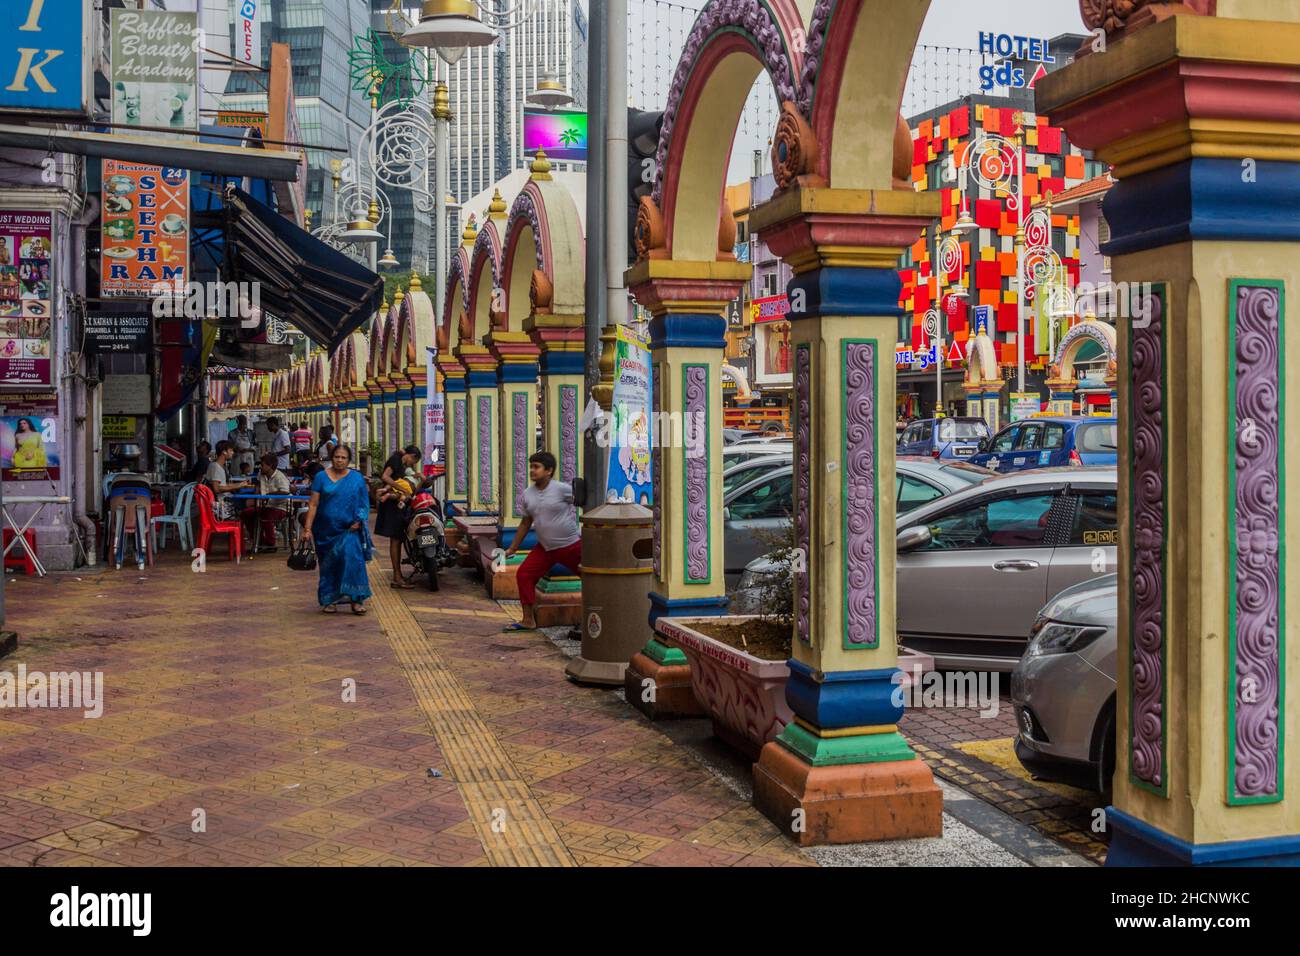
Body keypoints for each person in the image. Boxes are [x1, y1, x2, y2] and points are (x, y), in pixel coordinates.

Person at [502, 451, 581, 633]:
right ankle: (528, 620)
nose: (532, 470)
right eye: (531, 466)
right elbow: (525, 522)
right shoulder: (528, 494)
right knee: (524, 575)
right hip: (545, 548)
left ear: (549, 470)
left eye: (536, 467)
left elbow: (583, 500)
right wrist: (512, 548)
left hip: (571, 545)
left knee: (592, 579)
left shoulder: (562, 489)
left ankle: (596, 616)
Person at [302, 445, 373, 615]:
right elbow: (313, 504)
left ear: (349, 460)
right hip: (325, 531)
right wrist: (307, 529)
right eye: (337, 457)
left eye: (343, 458)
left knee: (353, 561)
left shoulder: (356, 478)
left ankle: (356, 600)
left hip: (349, 530)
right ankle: (330, 600)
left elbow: (364, 503)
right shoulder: (321, 477)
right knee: (329, 566)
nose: (340, 460)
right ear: (331, 458)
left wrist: (359, 520)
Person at [375, 445, 421, 588]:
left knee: (398, 538)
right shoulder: (395, 460)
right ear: (410, 455)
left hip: (396, 502)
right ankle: (396, 576)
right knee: (395, 539)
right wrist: (402, 489)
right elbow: (385, 477)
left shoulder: (401, 464)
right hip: (391, 506)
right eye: (413, 461)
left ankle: (398, 574)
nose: (411, 464)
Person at [242, 453, 291, 553]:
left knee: (266, 514)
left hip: (281, 508)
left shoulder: (280, 477)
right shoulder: (262, 475)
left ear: (270, 466)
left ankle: (270, 544)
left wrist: (269, 494)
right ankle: (260, 541)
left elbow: (285, 492)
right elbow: (259, 488)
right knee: (246, 513)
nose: (261, 467)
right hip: (267, 506)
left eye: (263, 465)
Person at [205, 439, 250, 520]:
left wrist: (241, 484)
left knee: (251, 500)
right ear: (224, 452)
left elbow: (224, 484)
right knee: (254, 502)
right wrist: (238, 486)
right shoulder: (216, 467)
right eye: (231, 450)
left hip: (227, 499)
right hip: (223, 504)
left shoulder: (221, 466)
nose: (232, 452)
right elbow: (217, 489)